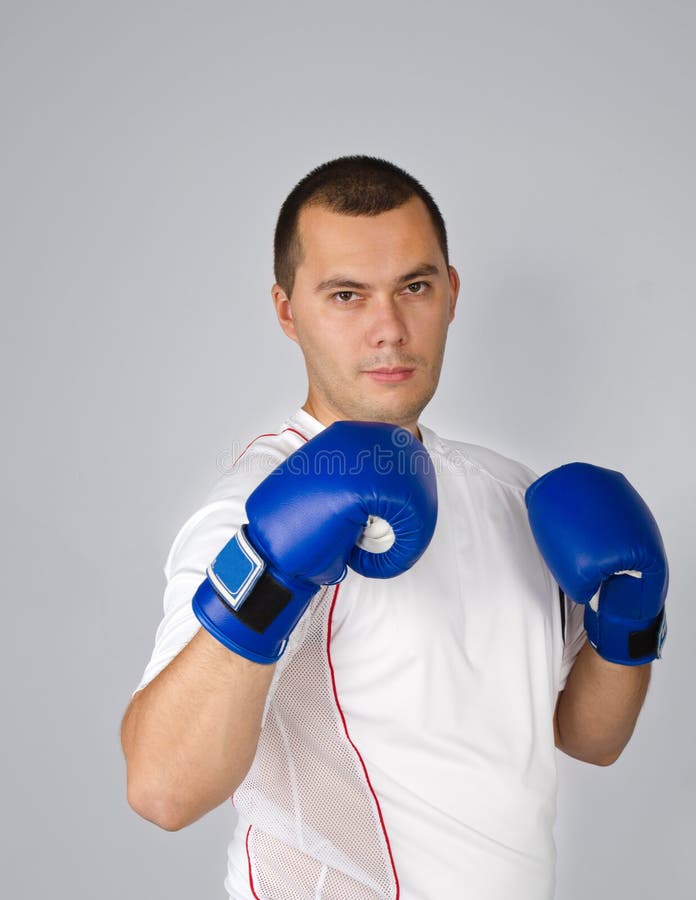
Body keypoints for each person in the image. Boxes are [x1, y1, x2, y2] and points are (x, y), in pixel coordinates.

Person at [120, 155, 668, 899]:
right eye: (347, 295)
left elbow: (590, 738)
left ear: (451, 293)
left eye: (414, 286)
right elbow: (163, 789)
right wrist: (272, 567)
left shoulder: (514, 496)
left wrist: (629, 622)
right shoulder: (253, 508)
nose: (389, 329)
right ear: (287, 311)